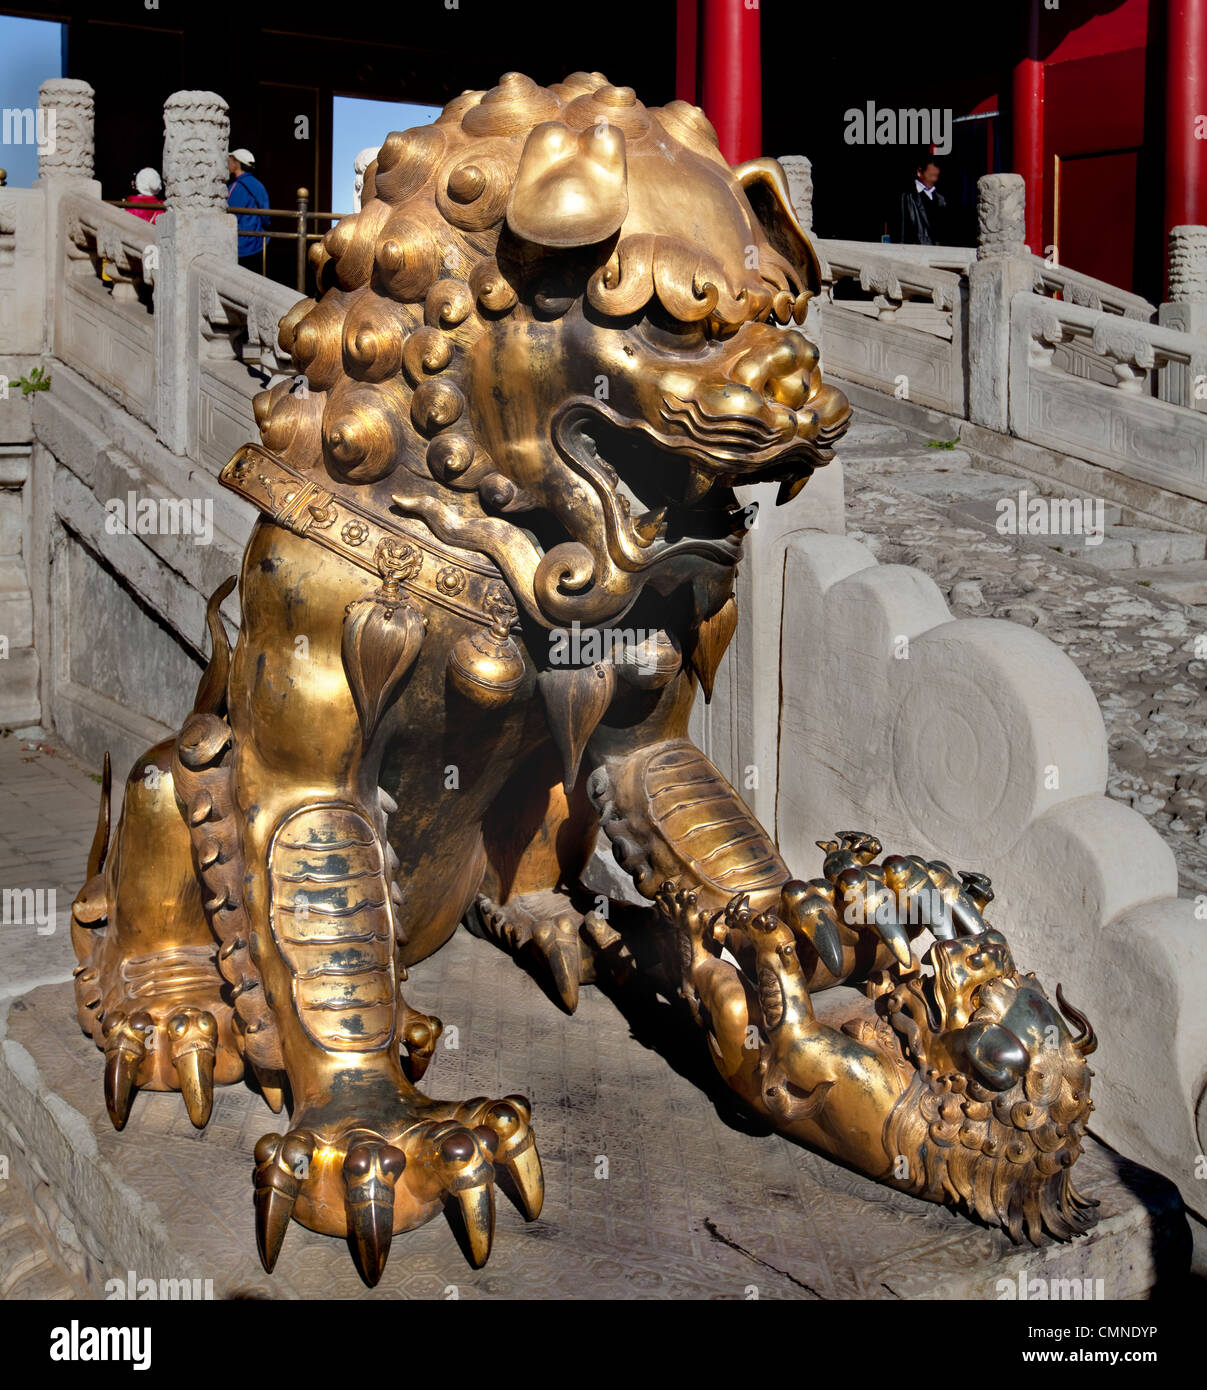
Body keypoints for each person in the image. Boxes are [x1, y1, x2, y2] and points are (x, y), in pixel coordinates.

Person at [228, 147, 269, 272]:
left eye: (230, 161)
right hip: (258, 243)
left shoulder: (238, 186)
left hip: (241, 245)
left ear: (237, 163)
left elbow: (231, 215)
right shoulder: (258, 184)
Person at [897, 155, 947, 245]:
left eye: (936, 176)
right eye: (931, 175)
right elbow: (902, 230)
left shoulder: (940, 199)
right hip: (917, 250)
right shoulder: (908, 196)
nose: (934, 179)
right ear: (920, 172)